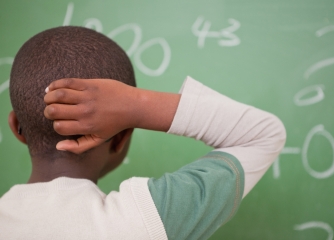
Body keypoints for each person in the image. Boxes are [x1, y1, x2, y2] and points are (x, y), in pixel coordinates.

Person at [0, 26, 286, 240]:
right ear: (122, 137)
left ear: (16, 127)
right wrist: (135, 105)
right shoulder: (146, 219)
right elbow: (264, 135)